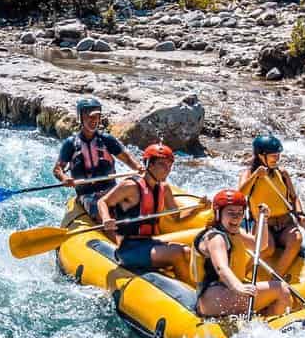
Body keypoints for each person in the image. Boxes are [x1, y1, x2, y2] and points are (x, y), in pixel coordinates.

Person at [95, 143, 203, 283]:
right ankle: (192, 294)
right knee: (179, 252)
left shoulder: (164, 189)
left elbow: (177, 217)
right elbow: (102, 202)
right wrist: (105, 218)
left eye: (170, 165)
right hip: (128, 249)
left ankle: (190, 285)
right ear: (150, 165)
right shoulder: (130, 186)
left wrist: (198, 208)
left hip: (149, 242)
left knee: (188, 251)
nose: (167, 170)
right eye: (162, 165)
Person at [191, 190, 291, 318]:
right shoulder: (215, 238)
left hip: (222, 294)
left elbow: (260, 245)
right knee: (281, 289)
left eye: (240, 213)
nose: (236, 217)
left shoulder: (234, 232)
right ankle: (272, 327)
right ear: (217, 213)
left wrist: (264, 220)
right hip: (212, 298)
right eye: (230, 213)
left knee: (275, 293)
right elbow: (222, 268)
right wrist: (238, 287)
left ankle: (264, 323)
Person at [53, 96, 141, 219]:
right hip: (87, 193)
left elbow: (127, 159)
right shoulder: (71, 143)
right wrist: (64, 178)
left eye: (96, 116)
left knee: (135, 201)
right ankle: (116, 234)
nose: (93, 120)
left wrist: (138, 167)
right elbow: (57, 169)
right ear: (80, 118)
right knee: (104, 213)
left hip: (110, 189)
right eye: (89, 116)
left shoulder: (106, 139)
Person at [236, 134, 304, 278]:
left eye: (278, 155)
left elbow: (294, 197)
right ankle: (240, 275)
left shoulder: (282, 173)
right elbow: (240, 195)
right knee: (267, 249)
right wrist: (255, 176)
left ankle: (277, 277)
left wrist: (300, 213)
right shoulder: (248, 174)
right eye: (273, 156)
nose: (277, 159)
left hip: (285, 223)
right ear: (261, 156)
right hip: (263, 223)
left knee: (296, 239)